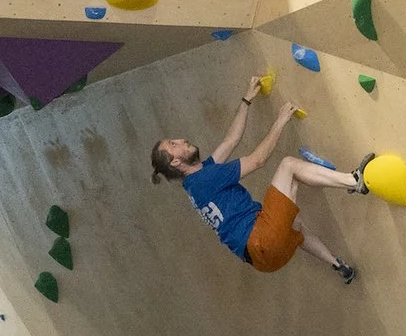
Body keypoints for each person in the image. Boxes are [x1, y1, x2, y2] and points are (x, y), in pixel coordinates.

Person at [150, 77, 368, 279]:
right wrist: (280, 120)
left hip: (262, 260)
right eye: (173, 145)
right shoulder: (206, 178)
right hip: (261, 239)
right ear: (176, 163)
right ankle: (353, 181)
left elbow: (230, 140)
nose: (180, 140)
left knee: (296, 225)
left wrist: (246, 100)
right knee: (289, 165)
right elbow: (257, 161)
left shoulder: (194, 182)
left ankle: (339, 266)